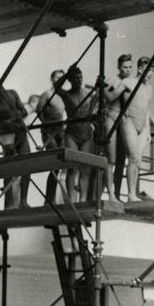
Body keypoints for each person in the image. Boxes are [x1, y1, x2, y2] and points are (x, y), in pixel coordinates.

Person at [118, 56, 154, 201]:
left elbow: (145, 108)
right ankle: (131, 194)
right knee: (133, 157)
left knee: (138, 160)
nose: (151, 73)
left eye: (152, 70)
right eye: (148, 70)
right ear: (140, 69)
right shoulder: (129, 82)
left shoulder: (149, 88)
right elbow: (111, 97)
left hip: (142, 124)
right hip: (129, 120)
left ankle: (133, 193)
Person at [0, 75, 31, 209]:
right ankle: (10, 202)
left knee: (27, 165)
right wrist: (11, 124)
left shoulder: (12, 94)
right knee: (8, 169)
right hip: (8, 136)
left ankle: (23, 200)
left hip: (21, 132)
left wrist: (13, 121)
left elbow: (24, 111)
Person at [54, 65, 95, 203]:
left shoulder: (88, 93)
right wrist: (66, 74)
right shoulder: (66, 95)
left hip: (86, 133)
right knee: (71, 167)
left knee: (85, 168)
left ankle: (82, 199)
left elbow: (100, 97)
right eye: (75, 78)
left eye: (80, 77)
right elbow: (56, 87)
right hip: (72, 133)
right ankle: (71, 200)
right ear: (71, 80)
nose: (78, 80)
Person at [98, 54, 133, 200]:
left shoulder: (131, 81)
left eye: (130, 67)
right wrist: (102, 86)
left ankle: (117, 194)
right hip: (111, 119)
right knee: (110, 159)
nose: (128, 70)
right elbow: (105, 96)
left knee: (121, 161)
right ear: (119, 67)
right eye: (125, 67)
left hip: (122, 122)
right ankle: (109, 194)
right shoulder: (114, 79)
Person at [36, 69, 67, 204]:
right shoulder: (47, 94)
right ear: (52, 79)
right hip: (49, 131)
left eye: (62, 78)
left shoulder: (63, 95)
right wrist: (45, 124)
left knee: (61, 164)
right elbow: (39, 109)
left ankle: (55, 198)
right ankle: (49, 200)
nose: (59, 80)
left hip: (60, 130)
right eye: (57, 78)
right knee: (54, 164)